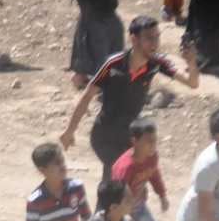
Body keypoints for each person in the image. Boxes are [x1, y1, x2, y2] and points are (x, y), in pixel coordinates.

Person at [62, 13, 199, 179]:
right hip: (105, 134)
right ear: (134, 39)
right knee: (118, 178)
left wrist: (191, 64)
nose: (155, 43)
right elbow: (86, 97)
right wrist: (70, 131)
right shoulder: (113, 64)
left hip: (130, 136)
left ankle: (108, 204)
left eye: (157, 37)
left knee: (123, 183)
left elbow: (192, 83)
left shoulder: (157, 61)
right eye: (149, 38)